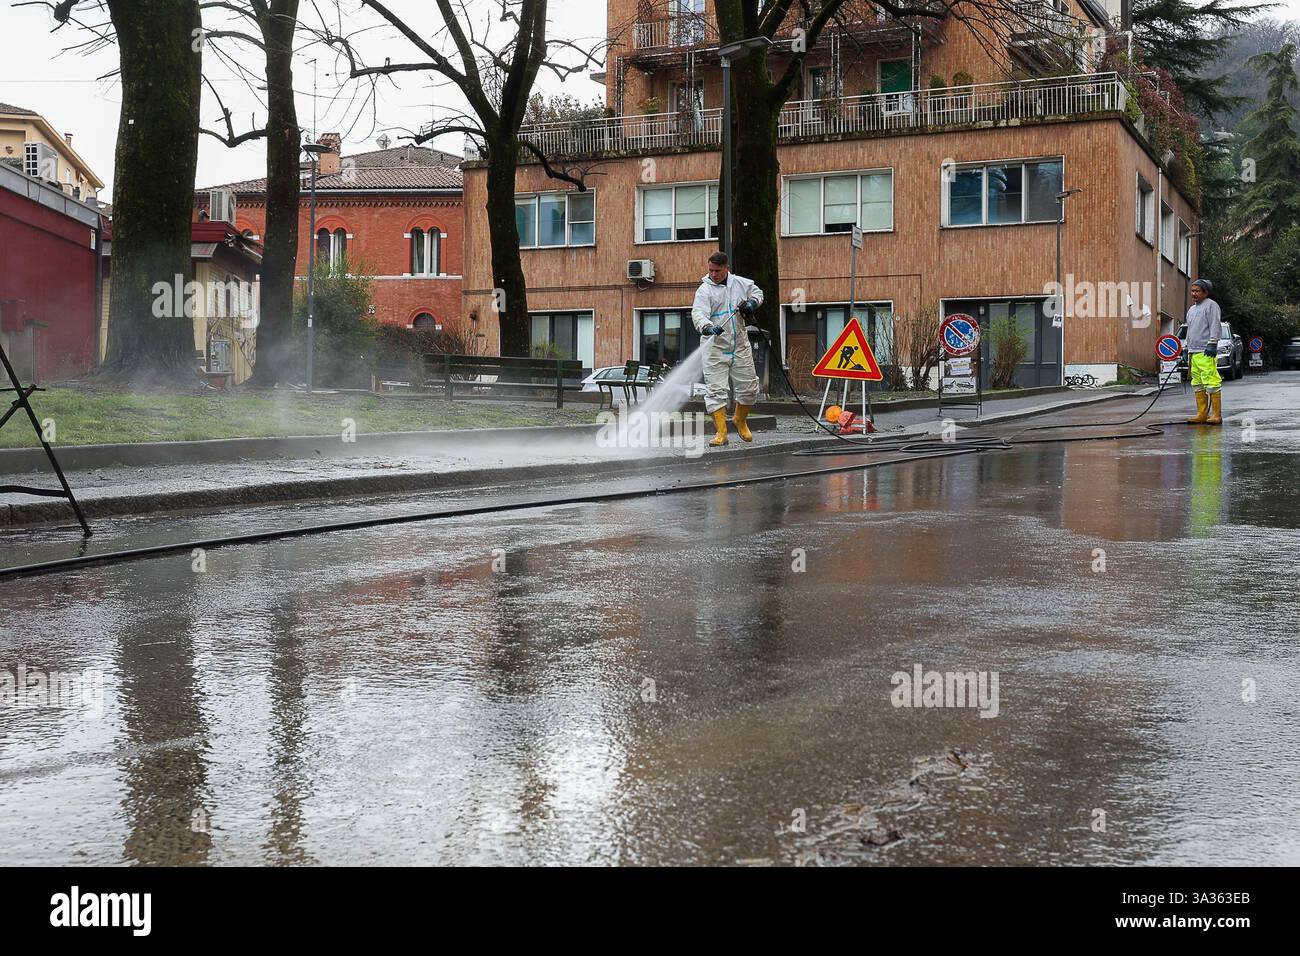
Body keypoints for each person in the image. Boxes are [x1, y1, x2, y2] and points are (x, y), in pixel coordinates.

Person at [691, 251, 763, 447]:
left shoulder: (741, 283)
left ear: (726, 268)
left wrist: (751, 304)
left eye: (717, 270)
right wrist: (707, 327)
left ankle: (740, 419)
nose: (713, 274)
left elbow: (758, 293)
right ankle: (721, 432)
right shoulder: (704, 291)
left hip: (740, 344)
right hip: (715, 347)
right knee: (716, 390)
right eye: (710, 270)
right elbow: (698, 313)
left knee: (749, 386)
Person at [1184, 277, 1223, 425]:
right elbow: (1190, 330)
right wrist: (1186, 349)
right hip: (1194, 352)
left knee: (1211, 381)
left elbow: (1215, 324)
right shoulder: (1191, 310)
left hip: (1206, 351)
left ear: (1205, 293)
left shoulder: (1211, 306)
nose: (1194, 294)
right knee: (1197, 382)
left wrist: (1213, 342)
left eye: (1197, 291)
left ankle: (1216, 415)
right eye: (1192, 291)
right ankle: (1202, 414)